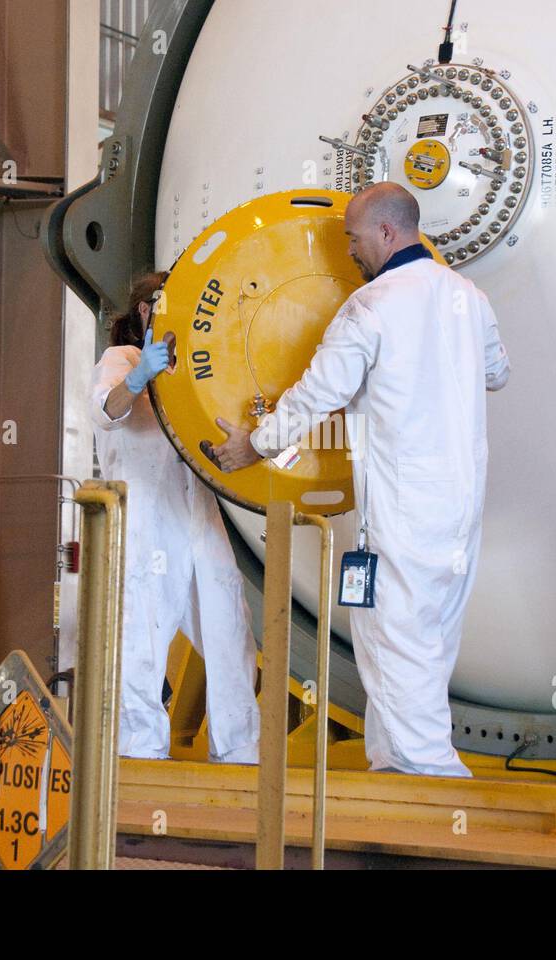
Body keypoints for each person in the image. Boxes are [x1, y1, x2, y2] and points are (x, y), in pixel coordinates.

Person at [208, 183, 510, 777]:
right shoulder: (468, 297)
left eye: (353, 238)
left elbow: (319, 393)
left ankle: (434, 784)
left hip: (401, 504)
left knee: (390, 641)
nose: (350, 251)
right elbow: (498, 372)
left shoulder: (371, 306)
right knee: (428, 641)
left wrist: (254, 445)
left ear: (386, 233)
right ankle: (395, 770)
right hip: (460, 504)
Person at [94, 272, 260, 763]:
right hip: (145, 518)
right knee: (141, 635)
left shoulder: (193, 369)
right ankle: (140, 752)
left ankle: (240, 752)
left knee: (231, 629)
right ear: (145, 311)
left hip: (197, 515)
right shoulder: (120, 360)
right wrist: (140, 375)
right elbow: (107, 409)